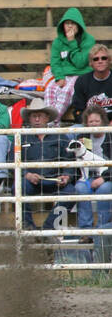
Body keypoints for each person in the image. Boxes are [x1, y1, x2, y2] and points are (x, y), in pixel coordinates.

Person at [19, 103, 77, 231]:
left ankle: (49, 227)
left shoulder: (60, 136)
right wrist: (26, 174)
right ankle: (28, 229)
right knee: (19, 187)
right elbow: (11, 160)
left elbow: (69, 159)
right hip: (31, 180)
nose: (37, 119)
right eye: (34, 116)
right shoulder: (21, 137)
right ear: (29, 119)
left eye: (40, 116)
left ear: (47, 118)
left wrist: (66, 176)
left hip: (55, 180)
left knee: (72, 192)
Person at [70, 101, 112, 235]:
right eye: (91, 121)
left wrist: (104, 178)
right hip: (87, 176)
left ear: (103, 121)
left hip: (107, 176)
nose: (94, 124)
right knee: (80, 188)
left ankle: (101, 230)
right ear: (86, 123)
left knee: (105, 189)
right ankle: (86, 231)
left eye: (96, 121)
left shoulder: (110, 136)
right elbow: (75, 160)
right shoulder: (82, 137)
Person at [45, 7, 95, 119]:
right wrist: (59, 77)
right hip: (63, 75)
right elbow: (55, 62)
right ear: (63, 25)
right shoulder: (58, 42)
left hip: (81, 75)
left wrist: (72, 42)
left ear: (79, 25)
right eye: (67, 23)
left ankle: (52, 122)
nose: (70, 26)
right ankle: (50, 123)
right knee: (50, 89)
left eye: (73, 23)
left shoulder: (88, 40)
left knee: (66, 91)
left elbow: (80, 63)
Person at [69, 43, 112, 124]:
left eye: (104, 58)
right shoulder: (82, 81)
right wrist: (89, 124)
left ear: (109, 60)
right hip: (89, 125)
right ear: (91, 63)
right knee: (71, 133)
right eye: (96, 59)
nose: (100, 61)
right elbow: (78, 110)